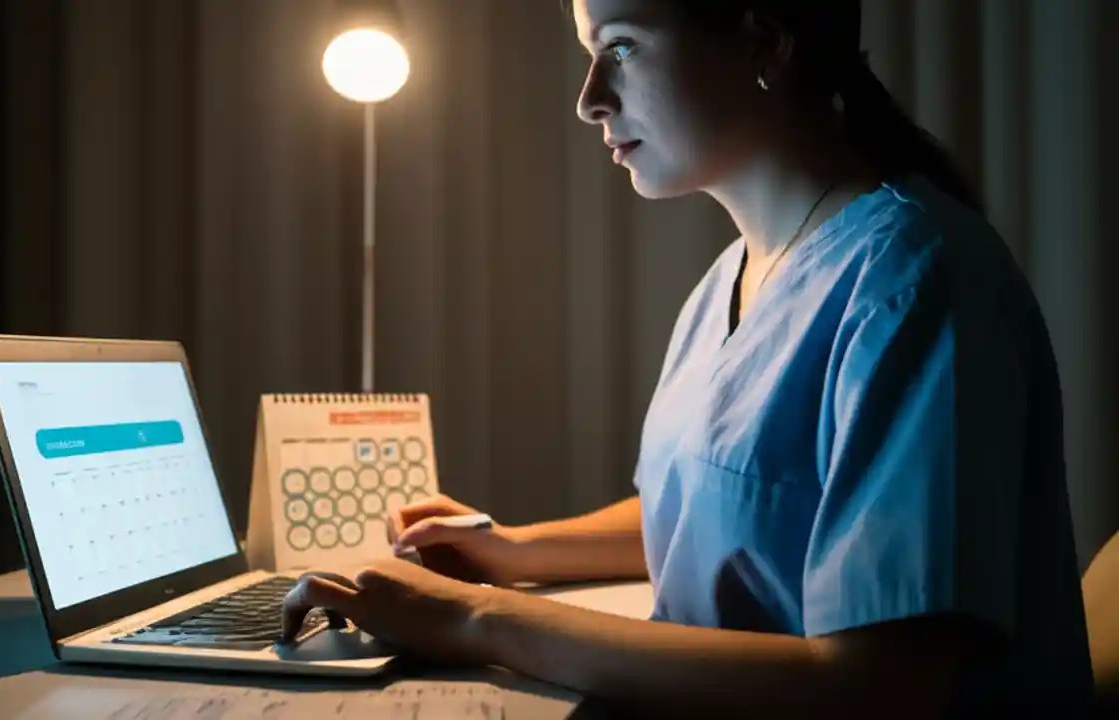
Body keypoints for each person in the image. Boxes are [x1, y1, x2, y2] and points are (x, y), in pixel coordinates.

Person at [282, 0, 1094, 714]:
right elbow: (736, 511)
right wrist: (517, 550)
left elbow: (876, 687)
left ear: (766, 41)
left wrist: (474, 621)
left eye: (623, 46)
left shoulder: (912, 284)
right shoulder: (736, 276)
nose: (589, 98)